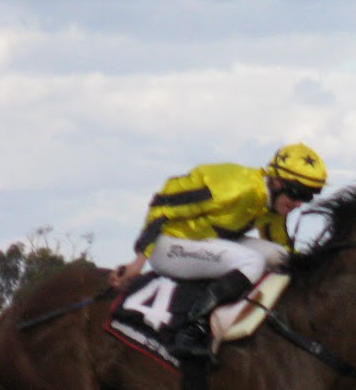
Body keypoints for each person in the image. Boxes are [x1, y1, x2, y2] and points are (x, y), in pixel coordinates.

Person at [110, 143, 328, 358]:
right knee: (251, 261)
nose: (299, 204)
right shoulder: (234, 189)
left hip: (205, 242)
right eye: (297, 194)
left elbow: (280, 245)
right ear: (277, 182)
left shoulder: (271, 204)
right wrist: (139, 260)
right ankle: (193, 330)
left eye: (308, 197)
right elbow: (162, 204)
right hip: (168, 245)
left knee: (279, 256)